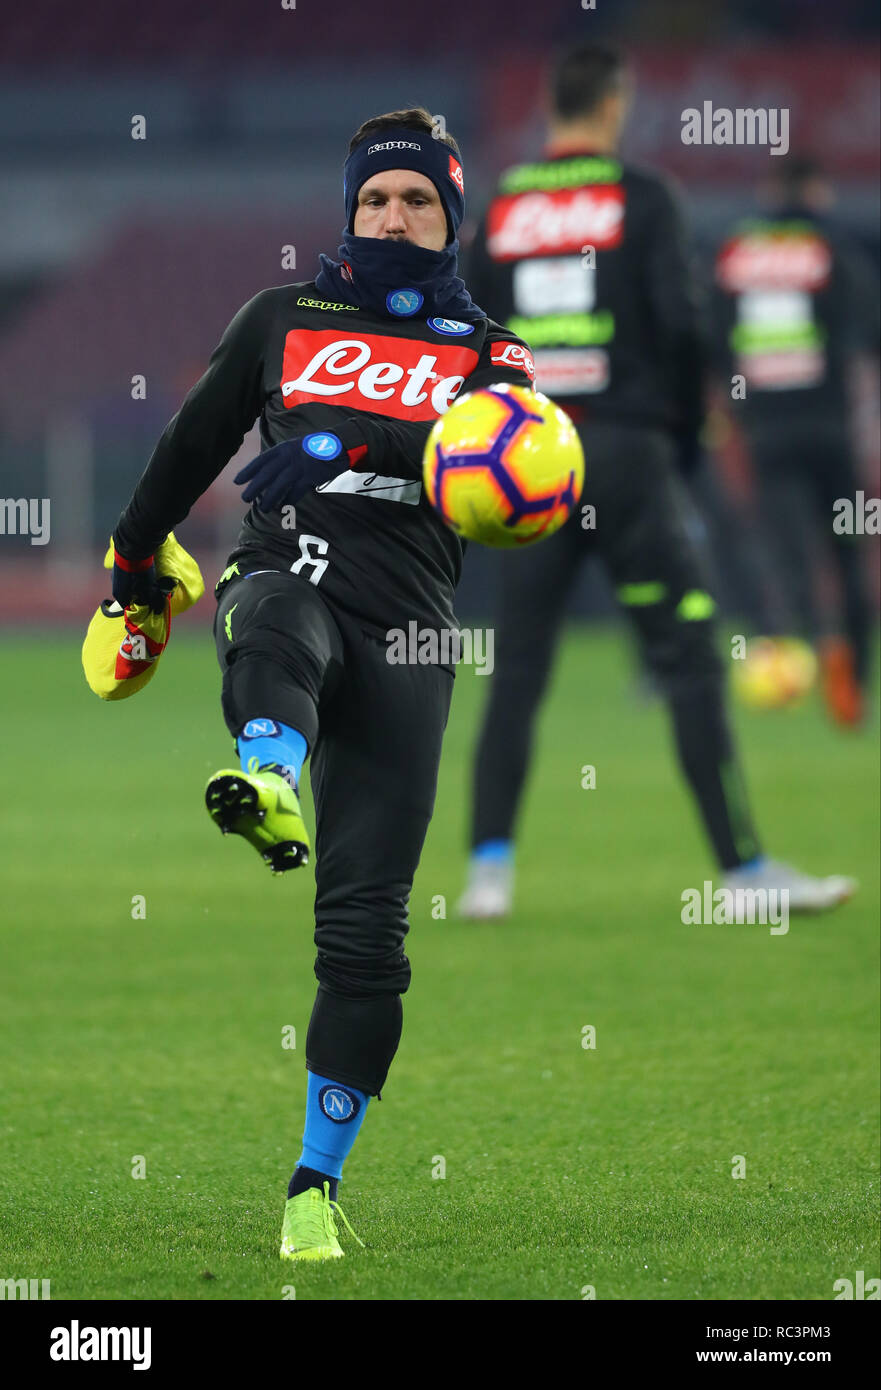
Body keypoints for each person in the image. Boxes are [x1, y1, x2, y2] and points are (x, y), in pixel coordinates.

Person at [109, 106, 535, 1260]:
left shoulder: (492, 353)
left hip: (411, 630)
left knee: (365, 941)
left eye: (413, 201)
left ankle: (312, 1187)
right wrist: (131, 559)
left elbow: (532, 476)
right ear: (345, 211)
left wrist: (353, 442)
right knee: (275, 629)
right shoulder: (280, 319)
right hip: (286, 567)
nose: (389, 217)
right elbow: (190, 447)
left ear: (451, 213)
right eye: (370, 201)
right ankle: (268, 773)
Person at [457, 43, 856, 920]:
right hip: (627, 451)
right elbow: (680, 326)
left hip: (527, 462)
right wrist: (681, 439)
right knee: (686, 660)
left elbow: (470, 335)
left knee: (517, 668)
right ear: (612, 105)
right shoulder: (642, 197)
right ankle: (743, 871)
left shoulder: (502, 205)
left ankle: (488, 872)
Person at [712, 155, 880, 725]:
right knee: (846, 552)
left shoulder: (736, 253)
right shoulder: (832, 246)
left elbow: (713, 339)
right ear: (815, 189)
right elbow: (867, 329)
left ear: (770, 189)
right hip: (830, 427)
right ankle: (849, 671)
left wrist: (733, 404)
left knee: (787, 553)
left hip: (767, 431)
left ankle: (791, 656)